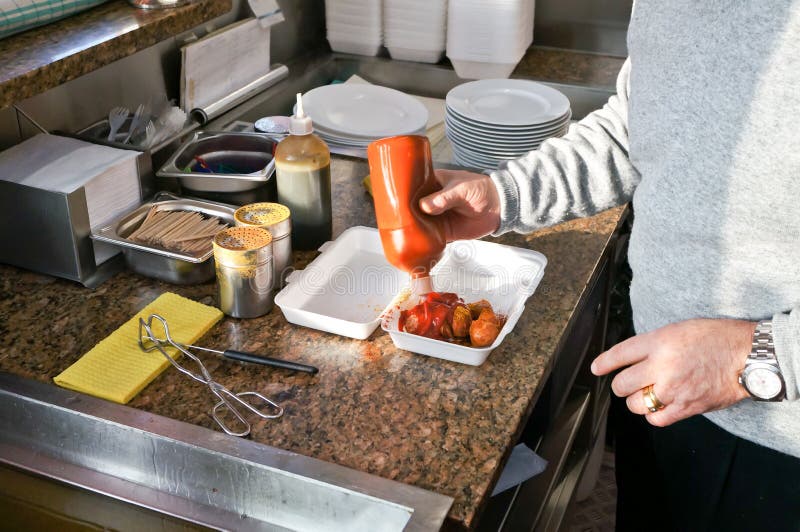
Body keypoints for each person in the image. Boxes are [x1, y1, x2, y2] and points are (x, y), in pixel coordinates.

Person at [418, 2, 800, 530]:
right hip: (665, 384)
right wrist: (506, 196)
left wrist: (761, 354)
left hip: (781, 438)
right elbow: (636, 126)